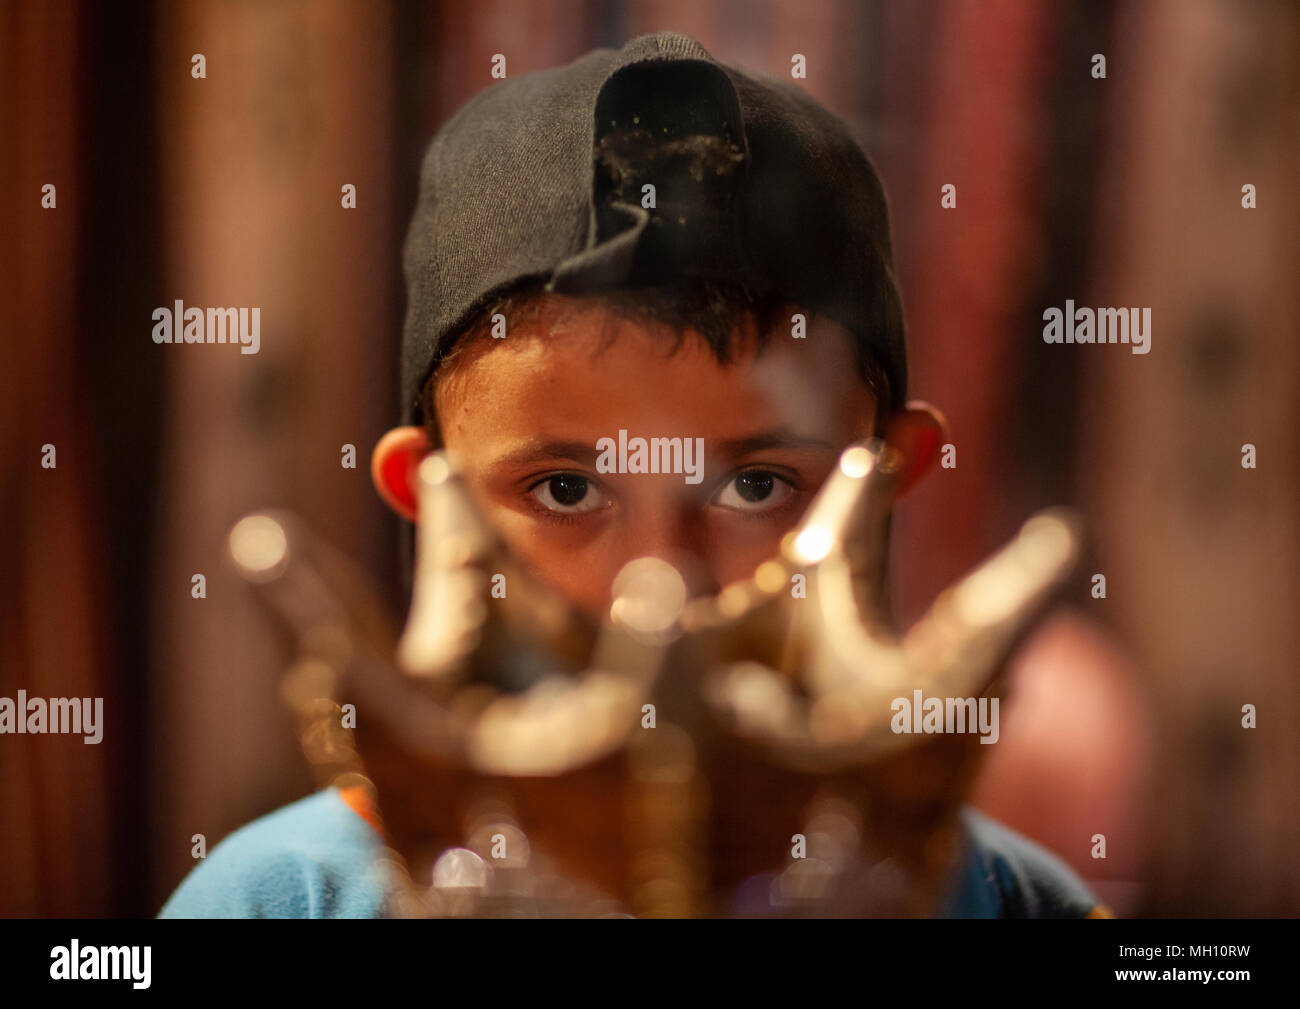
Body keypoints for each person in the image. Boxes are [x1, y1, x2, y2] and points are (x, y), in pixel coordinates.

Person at [160, 30, 1106, 919]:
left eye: (757, 485)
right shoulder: (283, 896)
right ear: (423, 495)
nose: (662, 588)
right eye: (566, 489)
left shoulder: (995, 896)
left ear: (892, 480)